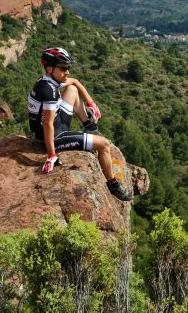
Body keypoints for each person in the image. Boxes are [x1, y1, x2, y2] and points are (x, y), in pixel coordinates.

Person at [29, 46, 132, 201]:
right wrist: (51, 155)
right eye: (63, 68)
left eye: (68, 68)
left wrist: (91, 103)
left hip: (58, 123)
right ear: (50, 69)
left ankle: (90, 127)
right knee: (104, 144)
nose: (67, 72)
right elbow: (48, 124)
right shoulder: (48, 91)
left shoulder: (48, 81)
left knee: (72, 89)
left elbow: (75, 82)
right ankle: (112, 184)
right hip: (53, 137)